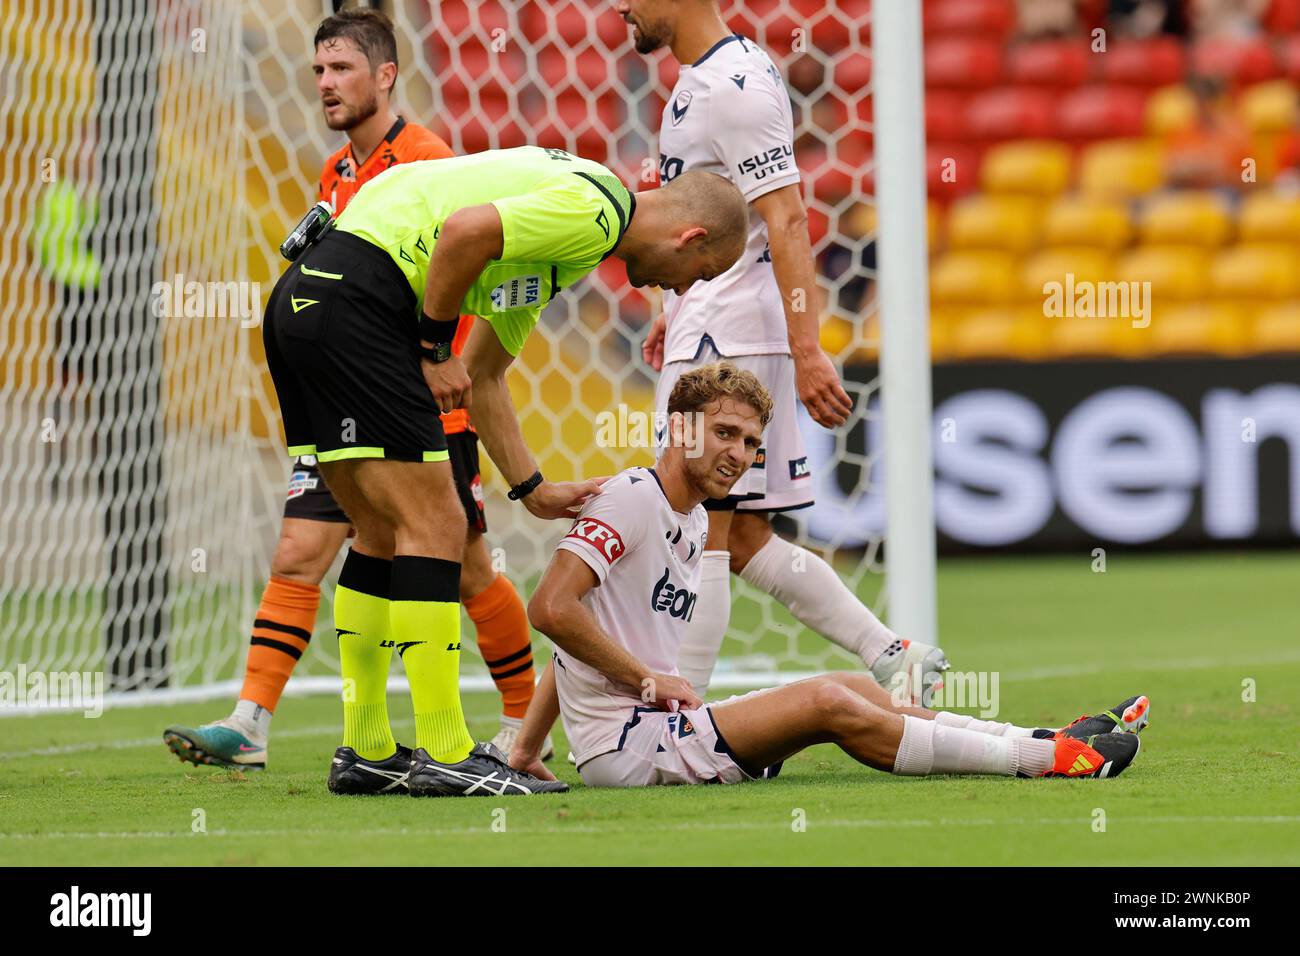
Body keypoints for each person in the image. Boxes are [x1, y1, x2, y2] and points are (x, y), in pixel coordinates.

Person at [262, 143, 749, 795]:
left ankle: (368, 748)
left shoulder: (558, 240)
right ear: (691, 236)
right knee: (437, 523)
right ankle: (446, 750)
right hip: (364, 301)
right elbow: (464, 232)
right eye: (698, 271)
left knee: (377, 530)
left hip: (305, 300)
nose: (682, 288)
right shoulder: (597, 210)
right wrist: (434, 347)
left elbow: (486, 377)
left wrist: (534, 489)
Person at [162, 8, 547, 771]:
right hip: (346, 397)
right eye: (317, 72)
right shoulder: (335, 174)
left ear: (385, 75)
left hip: (417, 400)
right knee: (300, 549)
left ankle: (521, 725)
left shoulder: (428, 160)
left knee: (471, 569)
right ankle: (251, 723)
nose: (325, 85)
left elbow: (461, 273)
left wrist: (442, 362)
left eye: (340, 70)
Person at [516, 362, 1148, 788]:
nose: (739, 455)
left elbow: (577, 634)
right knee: (824, 703)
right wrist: (648, 678)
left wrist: (525, 747)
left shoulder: (698, 520)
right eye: (726, 434)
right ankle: (1044, 761)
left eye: (750, 444)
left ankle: (1041, 735)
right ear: (679, 428)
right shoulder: (631, 497)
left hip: (651, 729)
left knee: (851, 684)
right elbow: (550, 609)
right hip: (630, 745)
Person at [619, 0, 952, 704]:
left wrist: (808, 347)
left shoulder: (735, 83)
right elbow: (707, 222)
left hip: (729, 334)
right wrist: (668, 305)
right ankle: (890, 652)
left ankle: (683, 721)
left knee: (696, 526)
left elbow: (786, 216)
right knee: (740, 538)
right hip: (711, 320)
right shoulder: (697, 81)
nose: (620, 7)